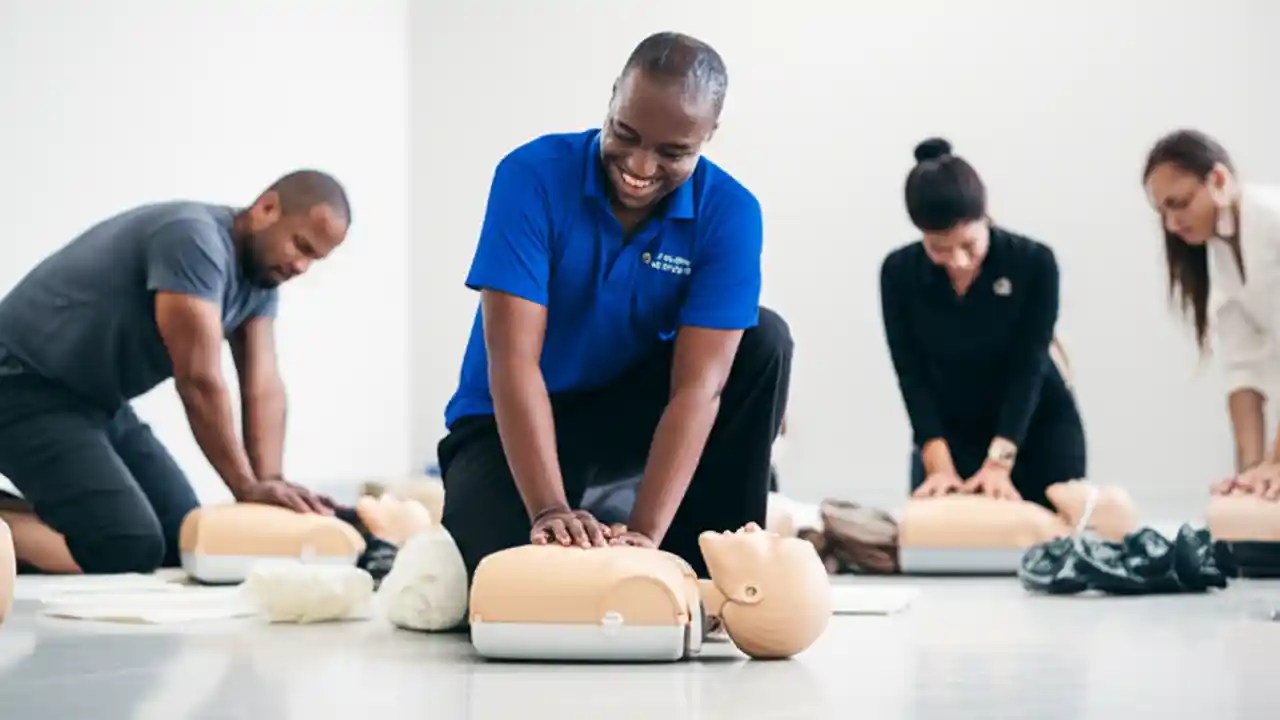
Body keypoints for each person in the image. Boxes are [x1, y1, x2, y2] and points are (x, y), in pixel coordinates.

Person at [437, 31, 791, 580]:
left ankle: (714, 565)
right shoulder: (531, 175)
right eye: (624, 134)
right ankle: (562, 511)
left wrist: (646, 535)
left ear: (708, 135)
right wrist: (549, 509)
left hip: (631, 414)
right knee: (511, 577)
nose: (641, 166)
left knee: (764, 339)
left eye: (674, 152)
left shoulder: (732, 213)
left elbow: (699, 389)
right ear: (612, 99)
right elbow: (513, 362)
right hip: (509, 421)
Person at [0, 171, 350, 574]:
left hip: (96, 402)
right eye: (300, 246)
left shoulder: (262, 280)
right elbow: (199, 382)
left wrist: (272, 479)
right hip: (23, 386)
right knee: (124, 544)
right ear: (267, 208)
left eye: (315, 259)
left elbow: (263, 385)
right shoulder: (193, 239)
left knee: (181, 537)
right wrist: (246, 487)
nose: (302, 266)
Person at [879, 138, 1085, 508]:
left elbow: (1030, 364)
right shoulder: (898, 273)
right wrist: (938, 464)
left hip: (1034, 430)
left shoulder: (1034, 263)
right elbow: (910, 373)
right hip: (949, 437)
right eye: (939, 249)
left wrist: (1000, 461)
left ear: (985, 219)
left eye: (969, 245)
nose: (957, 260)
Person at [1142, 129, 1280, 502]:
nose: (1172, 224)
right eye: (1163, 212)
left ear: (1218, 180)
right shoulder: (1220, 248)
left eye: (1180, 203)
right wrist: (1250, 473)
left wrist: (1277, 462)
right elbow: (1243, 369)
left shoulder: (1272, 220)